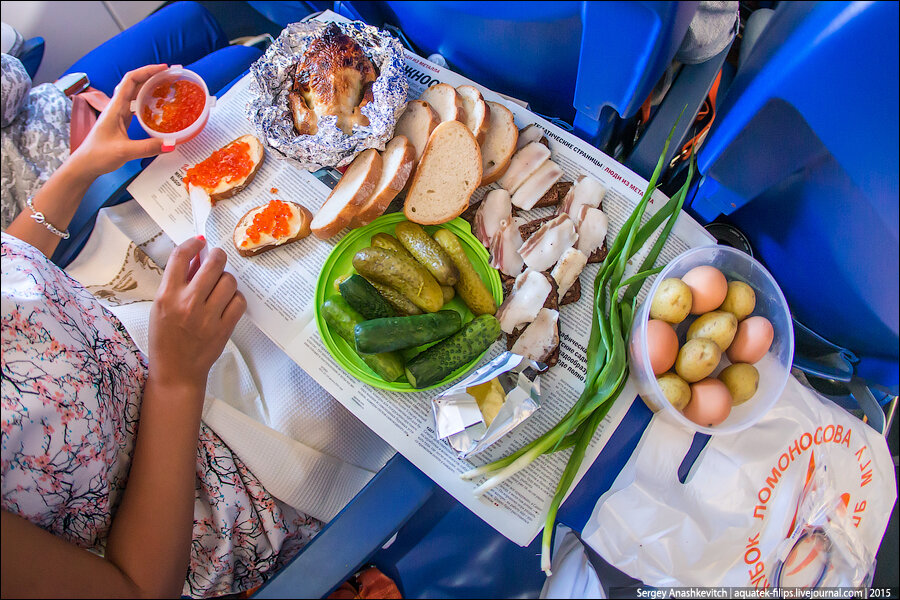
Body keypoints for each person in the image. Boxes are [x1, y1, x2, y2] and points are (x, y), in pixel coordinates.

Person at [1, 5, 324, 598]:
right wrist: (175, 380)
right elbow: (136, 588)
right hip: (216, 489)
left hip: (146, 334)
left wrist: (79, 169)